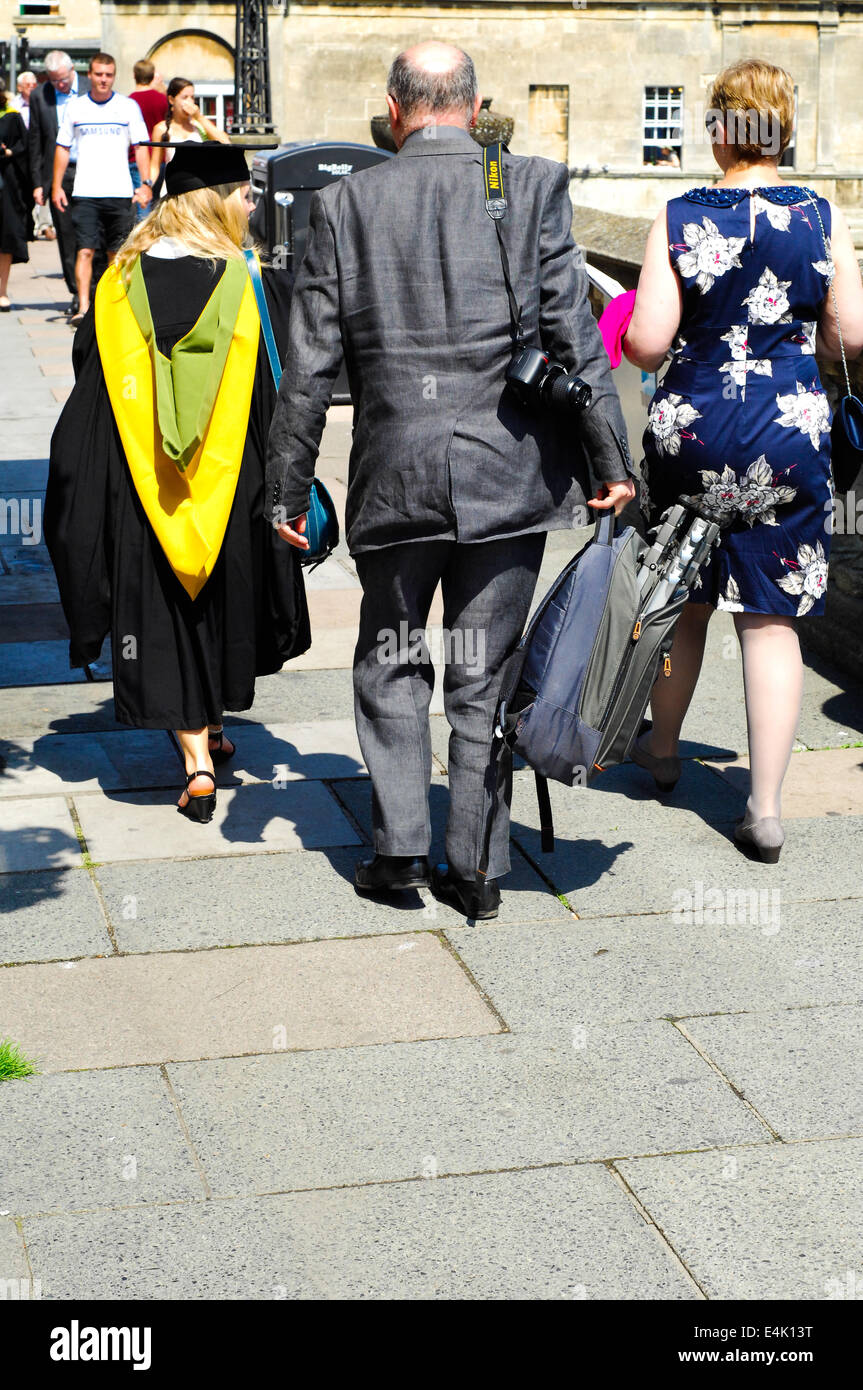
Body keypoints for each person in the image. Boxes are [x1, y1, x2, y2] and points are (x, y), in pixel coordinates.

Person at [267, 41, 634, 919]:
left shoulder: (343, 202)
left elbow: (309, 367)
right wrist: (610, 461)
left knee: (391, 659)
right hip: (505, 470)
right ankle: (473, 866)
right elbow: (573, 339)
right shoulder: (533, 184)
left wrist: (284, 489)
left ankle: (397, 852)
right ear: (473, 108)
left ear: (394, 111)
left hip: (395, 474)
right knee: (488, 671)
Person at [624, 58, 863, 863]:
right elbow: (854, 337)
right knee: (768, 619)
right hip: (787, 430)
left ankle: (661, 754)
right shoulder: (820, 218)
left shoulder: (680, 212)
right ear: (783, 129)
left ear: (723, 130)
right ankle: (762, 807)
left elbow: (647, 342)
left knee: (683, 595)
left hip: (692, 431)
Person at [45, 142, 311, 821]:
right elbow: (274, 394)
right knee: (222, 603)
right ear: (216, 200)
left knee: (163, 615)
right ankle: (214, 726)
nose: (254, 205)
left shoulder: (116, 283)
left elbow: (93, 393)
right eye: (245, 193)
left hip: (142, 487)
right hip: (233, 483)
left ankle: (195, 757)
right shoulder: (245, 282)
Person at [52, 52, 153, 325]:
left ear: (114, 76)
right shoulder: (76, 107)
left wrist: (146, 183)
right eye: (99, 74)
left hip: (119, 191)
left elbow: (141, 146)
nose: (104, 80)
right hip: (85, 191)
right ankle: (84, 308)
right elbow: (62, 147)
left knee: (115, 254)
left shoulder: (127, 107)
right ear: (90, 75)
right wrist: (56, 186)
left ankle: (113, 307)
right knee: (85, 250)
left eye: (109, 75)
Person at [28, 51, 87, 313]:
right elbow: (36, 141)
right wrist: (38, 182)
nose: (59, 85)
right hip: (58, 176)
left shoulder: (89, 87)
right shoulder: (41, 95)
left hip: (90, 170)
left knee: (92, 231)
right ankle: (76, 292)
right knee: (66, 234)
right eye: (54, 81)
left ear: (72, 70)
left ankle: (95, 290)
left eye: (62, 79)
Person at [149, 77, 230, 190]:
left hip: (199, 189)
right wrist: (147, 186)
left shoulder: (199, 126)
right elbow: (155, 165)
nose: (190, 102)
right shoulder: (162, 129)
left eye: (192, 97)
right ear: (171, 100)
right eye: (184, 97)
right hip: (173, 190)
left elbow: (225, 142)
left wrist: (199, 117)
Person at [0, 83, 32, 311]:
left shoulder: (11, 116)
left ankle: (1, 291)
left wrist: (9, 152)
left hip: (6, 185)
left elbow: (24, 145)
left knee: (5, 239)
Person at [128, 59, 167, 219]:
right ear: (152, 76)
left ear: (134, 75)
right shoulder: (162, 99)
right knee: (156, 204)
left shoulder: (129, 101)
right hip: (158, 157)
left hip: (135, 156)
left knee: (140, 204)